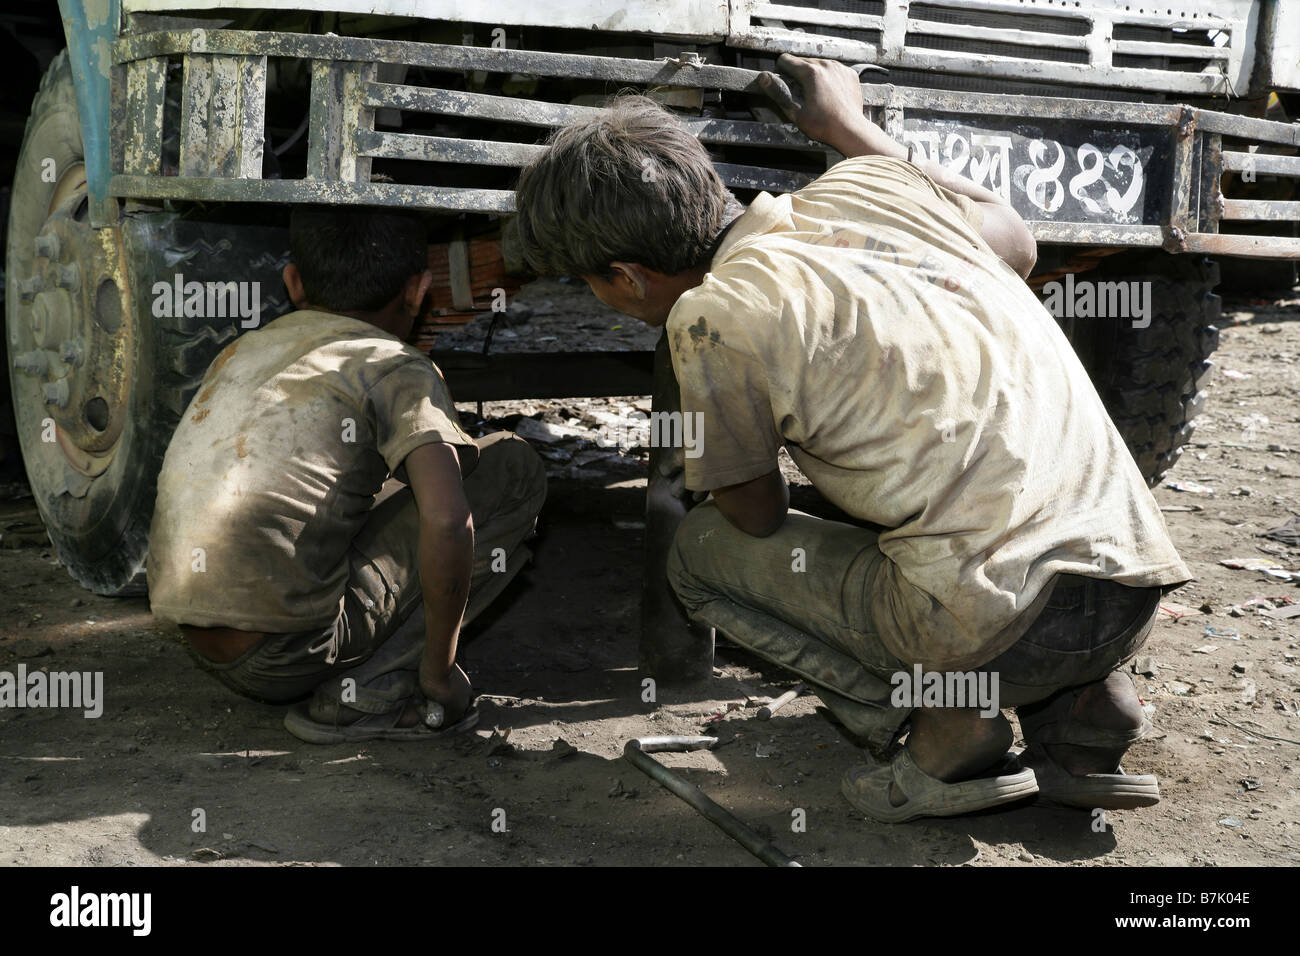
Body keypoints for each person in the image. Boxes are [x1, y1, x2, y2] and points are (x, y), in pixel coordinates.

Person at [512, 54, 1189, 822]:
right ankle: (1089, 718)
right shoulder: (872, 184)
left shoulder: (712, 318)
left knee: (698, 553)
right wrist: (850, 129)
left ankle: (948, 729)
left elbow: (755, 517)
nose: (602, 303)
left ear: (628, 276)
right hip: (1134, 583)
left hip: (1005, 631)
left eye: (591, 284)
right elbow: (1017, 244)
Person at [147, 205, 546, 743]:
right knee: (510, 467)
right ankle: (373, 692)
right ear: (419, 289)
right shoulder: (395, 363)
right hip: (287, 655)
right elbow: (450, 522)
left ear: (292, 282)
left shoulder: (242, 350)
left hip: (197, 640)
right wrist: (440, 673)